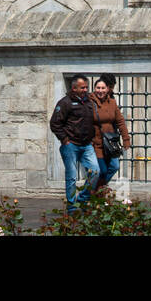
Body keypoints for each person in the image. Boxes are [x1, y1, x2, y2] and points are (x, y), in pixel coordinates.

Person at [49, 74, 98, 214]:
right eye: (82, 87)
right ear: (74, 88)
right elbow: (55, 123)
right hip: (71, 145)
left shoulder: (89, 102)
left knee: (95, 172)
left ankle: (82, 199)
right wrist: (65, 140)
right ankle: (71, 207)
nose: (85, 89)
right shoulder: (65, 102)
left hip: (87, 145)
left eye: (87, 87)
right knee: (71, 177)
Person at [90, 73, 131, 194]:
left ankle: (97, 190)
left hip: (110, 143)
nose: (100, 90)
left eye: (103, 88)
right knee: (102, 170)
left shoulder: (112, 102)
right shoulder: (89, 103)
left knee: (114, 166)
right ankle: (96, 192)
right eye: (98, 88)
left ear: (108, 89)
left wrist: (126, 139)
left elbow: (120, 121)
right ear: (94, 88)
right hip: (96, 143)